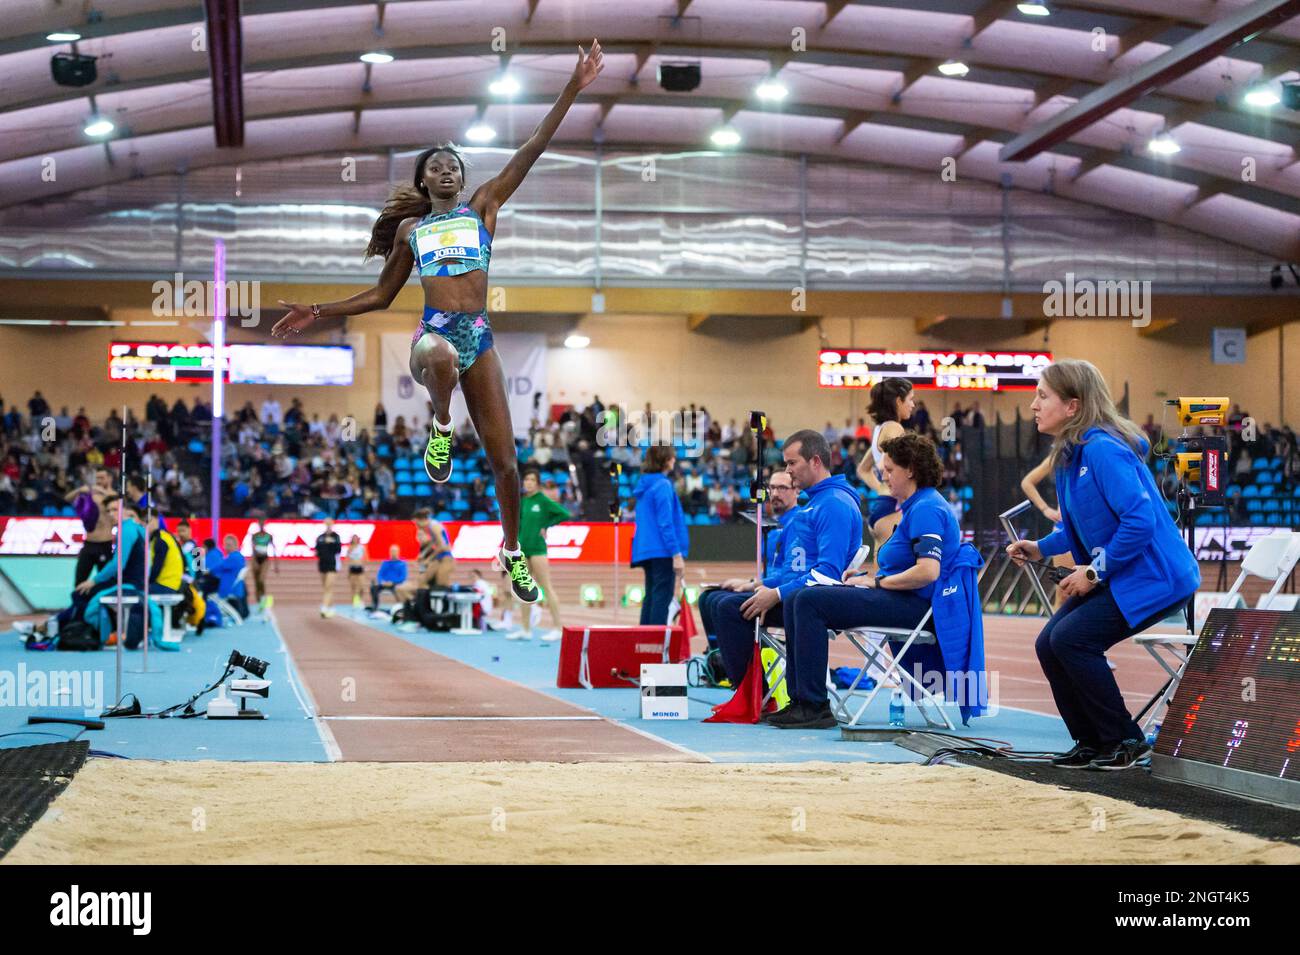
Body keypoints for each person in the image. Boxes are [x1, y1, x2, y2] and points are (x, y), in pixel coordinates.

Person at [271, 42, 605, 606]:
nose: (446, 169)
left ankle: (510, 550)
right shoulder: (412, 233)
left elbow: (535, 145)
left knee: (506, 461)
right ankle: (441, 428)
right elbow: (381, 296)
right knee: (442, 357)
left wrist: (573, 86)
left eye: (453, 164)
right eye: (436, 166)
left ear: (462, 177)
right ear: (424, 182)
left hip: (480, 336)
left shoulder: (485, 208)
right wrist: (319, 311)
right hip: (434, 335)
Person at [1007, 359, 1200, 770]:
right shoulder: (1070, 456)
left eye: (1043, 396)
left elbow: (1140, 520)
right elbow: (1079, 528)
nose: (1034, 405)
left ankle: (1125, 741)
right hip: (1124, 573)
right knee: (1049, 643)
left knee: (1072, 640)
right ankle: (1093, 741)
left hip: (1158, 577)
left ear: (1073, 406)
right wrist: (1040, 547)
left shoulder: (1102, 450)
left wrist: (1094, 572)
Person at [770, 433, 979, 729]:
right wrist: (870, 579)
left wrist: (877, 584)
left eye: (891, 469)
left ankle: (814, 705)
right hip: (902, 599)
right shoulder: (915, 507)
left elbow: (927, 572)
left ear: (911, 470)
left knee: (809, 599)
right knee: (798, 597)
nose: (883, 475)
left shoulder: (927, 508)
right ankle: (801, 701)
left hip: (917, 607)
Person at [712, 430, 863, 715]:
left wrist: (776, 593)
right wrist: (765, 586)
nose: (787, 471)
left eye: (792, 463)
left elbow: (828, 573)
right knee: (723, 602)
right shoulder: (819, 501)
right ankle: (758, 697)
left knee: (731, 608)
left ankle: (758, 699)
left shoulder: (833, 504)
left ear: (815, 461)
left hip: (819, 603)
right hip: (804, 597)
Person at [698, 468, 801, 651]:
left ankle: (737, 667)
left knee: (721, 603)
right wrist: (751, 582)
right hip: (765, 586)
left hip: (779, 593)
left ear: (797, 491)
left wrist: (752, 584)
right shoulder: (773, 525)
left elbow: (789, 574)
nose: (775, 493)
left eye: (782, 488)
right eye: (772, 488)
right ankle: (718, 657)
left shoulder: (797, 523)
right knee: (707, 598)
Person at [856, 378, 914, 570]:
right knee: (893, 576)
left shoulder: (879, 430)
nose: (913, 405)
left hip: (881, 507)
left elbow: (862, 470)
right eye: (910, 399)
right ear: (898, 401)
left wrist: (882, 487)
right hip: (893, 509)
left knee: (879, 575)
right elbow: (884, 464)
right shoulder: (894, 428)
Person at [510, 468, 571, 641]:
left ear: (537, 483)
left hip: (537, 549)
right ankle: (526, 629)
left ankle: (558, 628)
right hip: (522, 549)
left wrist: (546, 525)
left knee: (546, 587)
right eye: (526, 479)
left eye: (531, 480)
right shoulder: (522, 501)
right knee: (523, 589)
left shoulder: (542, 500)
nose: (528, 483)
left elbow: (564, 514)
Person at [630, 444, 689, 626]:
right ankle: (655, 648)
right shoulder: (662, 485)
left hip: (646, 549)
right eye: (672, 457)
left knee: (651, 598)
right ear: (665, 460)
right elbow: (666, 523)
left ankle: (644, 645)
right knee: (661, 600)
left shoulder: (645, 485)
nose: (674, 460)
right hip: (662, 550)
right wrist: (676, 554)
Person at [67, 467, 115, 586]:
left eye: (102, 478)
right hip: (88, 544)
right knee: (79, 580)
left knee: (106, 582)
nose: (98, 481)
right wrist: (79, 490)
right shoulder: (90, 495)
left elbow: (115, 501)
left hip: (105, 544)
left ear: (110, 479)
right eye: (97, 478)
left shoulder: (113, 496)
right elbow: (67, 499)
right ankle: (79, 604)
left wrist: (99, 491)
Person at [315, 517, 343, 618]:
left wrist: (331, 542)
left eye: (330, 524)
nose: (328, 526)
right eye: (326, 524)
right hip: (322, 564)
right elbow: (317, 551)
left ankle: (324, 607)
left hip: (332, 564)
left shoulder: (336, 537)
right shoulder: (320, 537)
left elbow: (339, 550)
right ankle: (331, 607)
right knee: (325, 587)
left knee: (328, 587)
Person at [369, 544, 408, 612]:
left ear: (398, 552)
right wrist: (382, 582)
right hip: (384, 584)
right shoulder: (385, 562)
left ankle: (400, 608)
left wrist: (392, 582)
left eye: (395, 551)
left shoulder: (402, 563)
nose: (393, 553)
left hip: (395, 584)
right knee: (373, 588)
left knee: (399, 589)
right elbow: (380, 574)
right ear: (390, 552)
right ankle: (375, 606)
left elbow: (403, 577)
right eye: (392, 551)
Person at [249, 517, 277, 610]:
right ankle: (259, 602)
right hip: (256, 559)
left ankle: (263, 598)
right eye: (260, 524)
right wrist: (254, 561)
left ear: (264, 524)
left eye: (263, 523)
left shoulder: (269, 536)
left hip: (265, 559)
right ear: (258, 525)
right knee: (256, 581)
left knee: (261, 579)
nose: (261, 525)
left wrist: (276, 565)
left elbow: (274, 549)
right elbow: (252, 549)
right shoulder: (255, 536)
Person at [346, 534, 368, 609]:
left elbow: (365, 558)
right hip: (352, 568)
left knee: (362, 586)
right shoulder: (350, 548)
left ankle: (360, 600)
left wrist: (364, 566)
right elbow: (347, 559)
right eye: (353, 538)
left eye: (356, 538)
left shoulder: (361, 547)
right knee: (353, 587)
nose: (354, 540)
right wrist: (348, 571)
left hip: (360, 567)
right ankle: (354, 603)